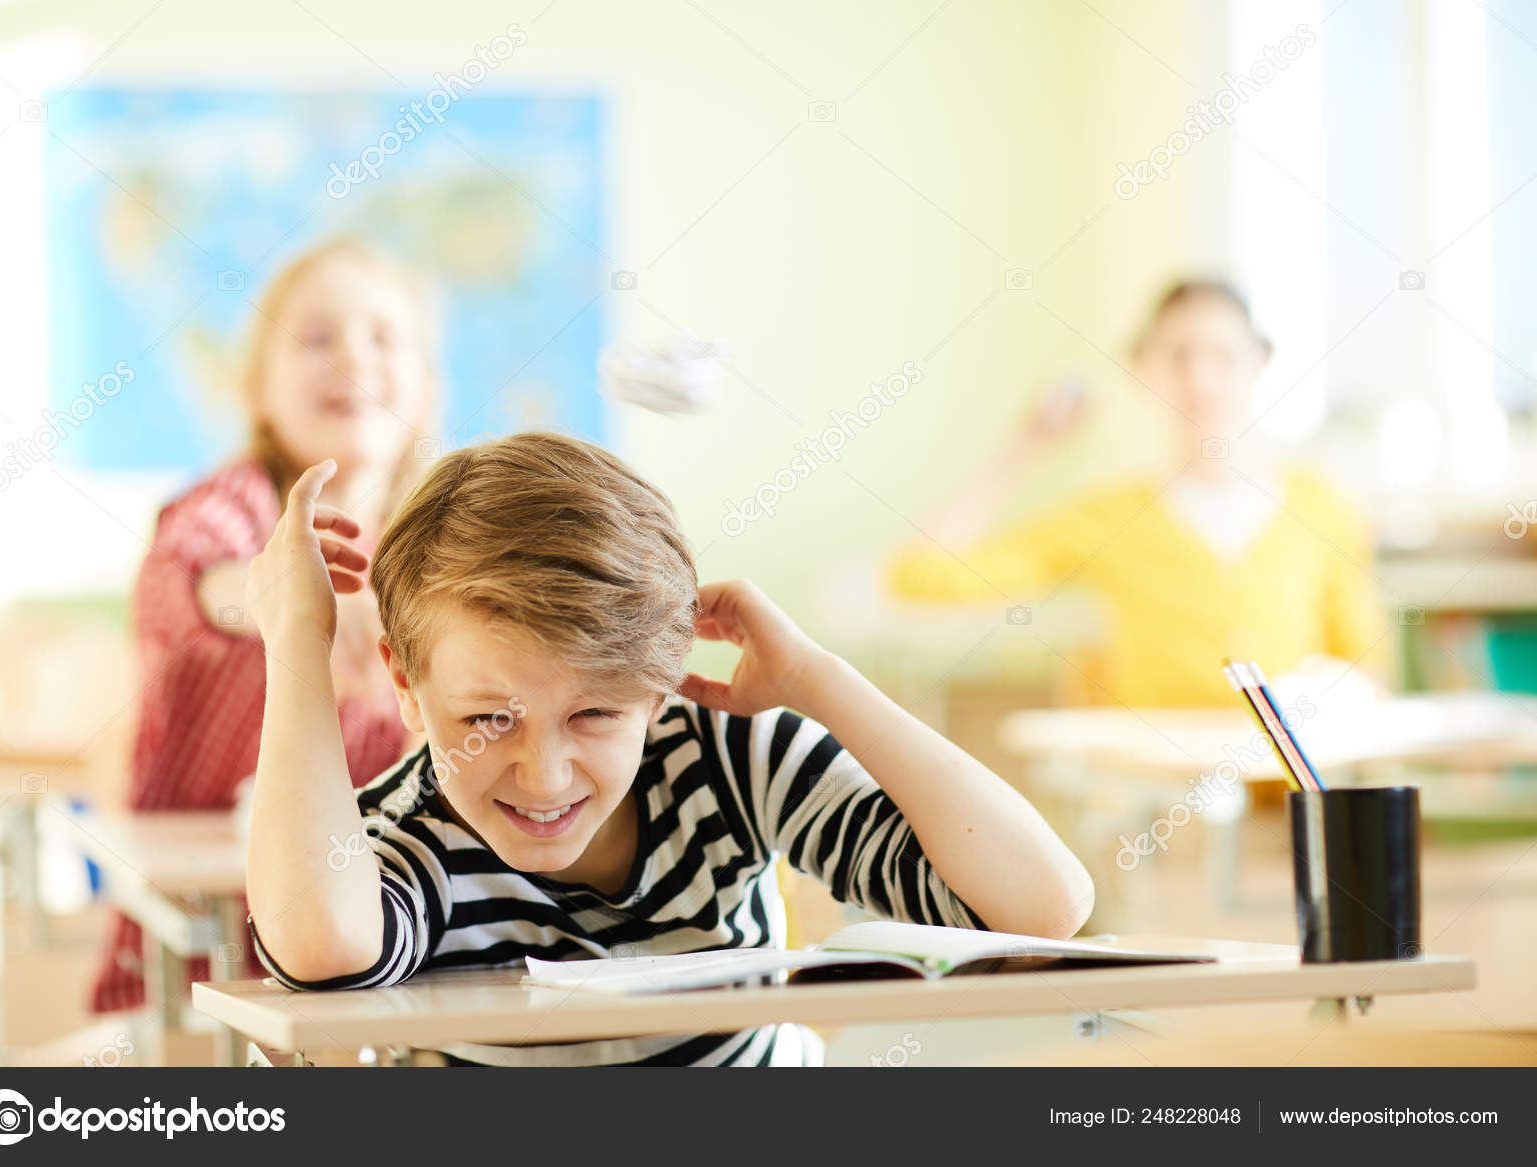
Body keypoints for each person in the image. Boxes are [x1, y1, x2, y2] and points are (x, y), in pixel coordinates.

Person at [243, 433, 1094, 1065]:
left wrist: (815, 676)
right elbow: (320, 946)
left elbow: (1040, 906)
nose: (544, 775)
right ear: (406, 685)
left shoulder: (729, 758)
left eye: (596, 715)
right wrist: (296, 642)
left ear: (659, 689)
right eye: (487, 720)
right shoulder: (415, 828)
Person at [89, 240, 437, 1013]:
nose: (352, 356)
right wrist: (279, 598)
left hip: (379, 952)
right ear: (257, 393)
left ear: (426, 389)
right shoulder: (234, 506)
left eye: (384, 337)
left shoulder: (441, 540)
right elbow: (182, 582)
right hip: (193, 964)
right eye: (316, 339)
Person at [885, 280, 1383, 708]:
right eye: (1178, 356)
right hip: (1164, 799)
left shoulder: (1322, 506)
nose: (1201, 380)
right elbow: (921, 575)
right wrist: (1026, 446)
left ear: (1259, 364)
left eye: (1223, 356)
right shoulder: (1105, 515)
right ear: (1141, 368)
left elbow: (1366, 670)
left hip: (1289, 801)